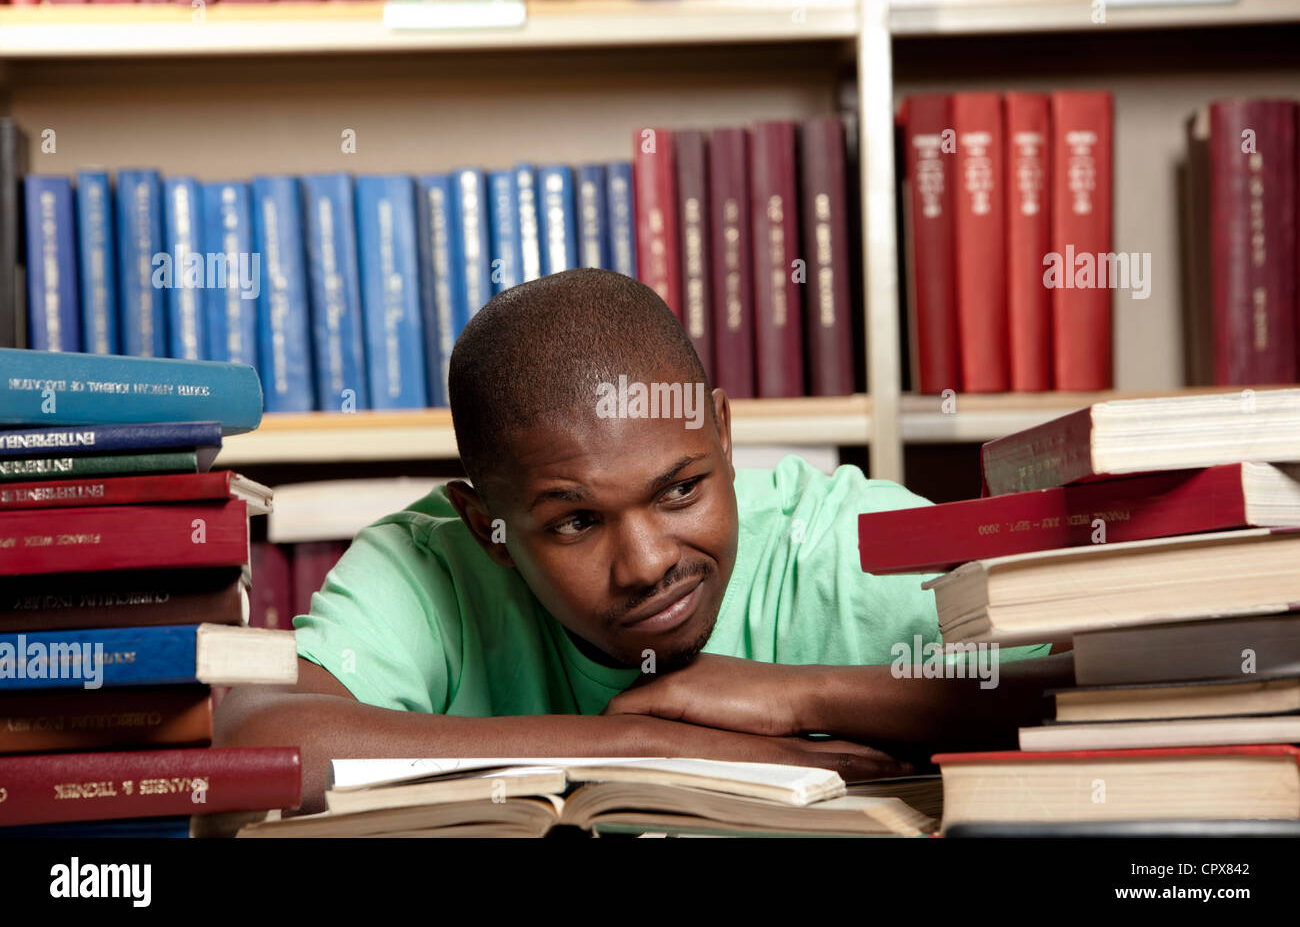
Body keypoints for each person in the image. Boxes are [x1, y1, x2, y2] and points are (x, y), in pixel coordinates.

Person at [216, 268, 1072, 813]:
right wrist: (643, 745)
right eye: (577, 522)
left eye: (682, 490)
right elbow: (256, 738)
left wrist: (806, 695)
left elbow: (1146, 688)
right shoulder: (430, 565)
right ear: (493, 528)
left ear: (725, 436)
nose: (650, 563)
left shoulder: (840, 544)